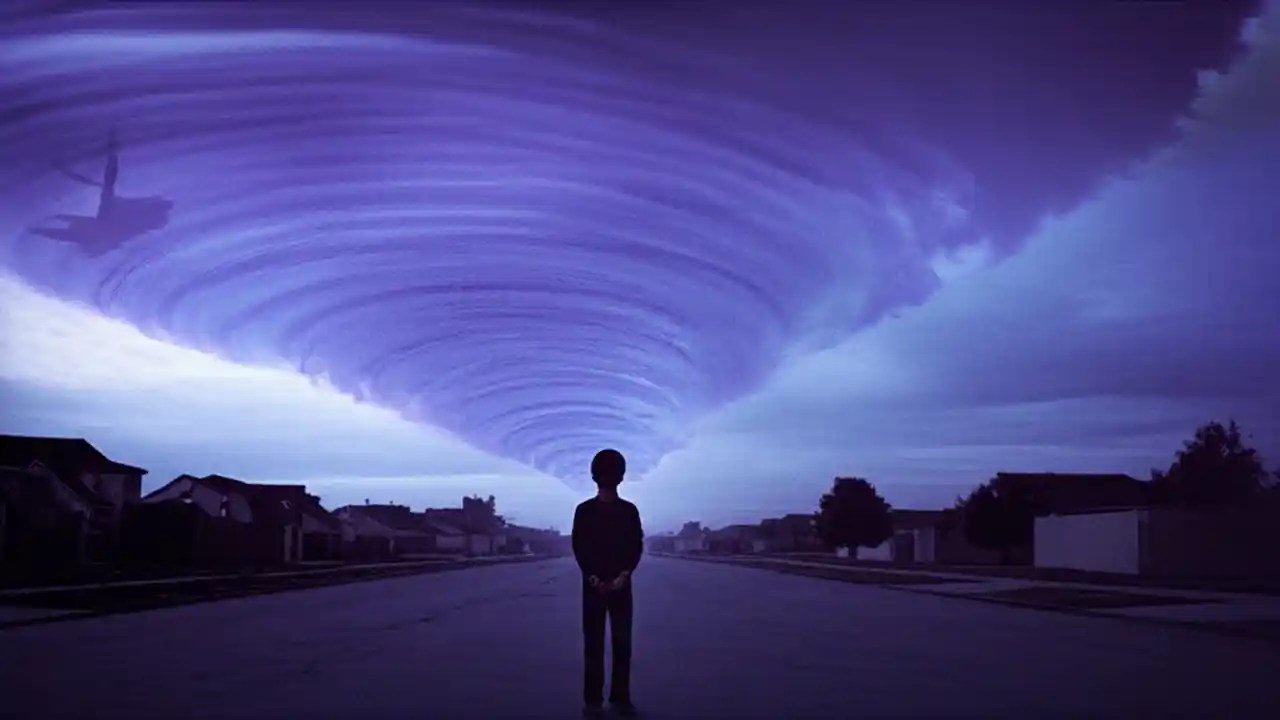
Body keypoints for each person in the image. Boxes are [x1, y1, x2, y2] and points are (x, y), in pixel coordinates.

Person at [572, 448, 644, 717]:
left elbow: (579, 547)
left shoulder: (583, 511)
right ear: (621, 477)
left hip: (593, 588)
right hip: (620, 587)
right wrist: (623, 575)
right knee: (621, 643)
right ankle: (620, 697)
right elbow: (636, 546)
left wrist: (593, 577)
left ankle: (593, 700)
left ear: (593, 476)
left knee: (593, 643)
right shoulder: (629, 511)